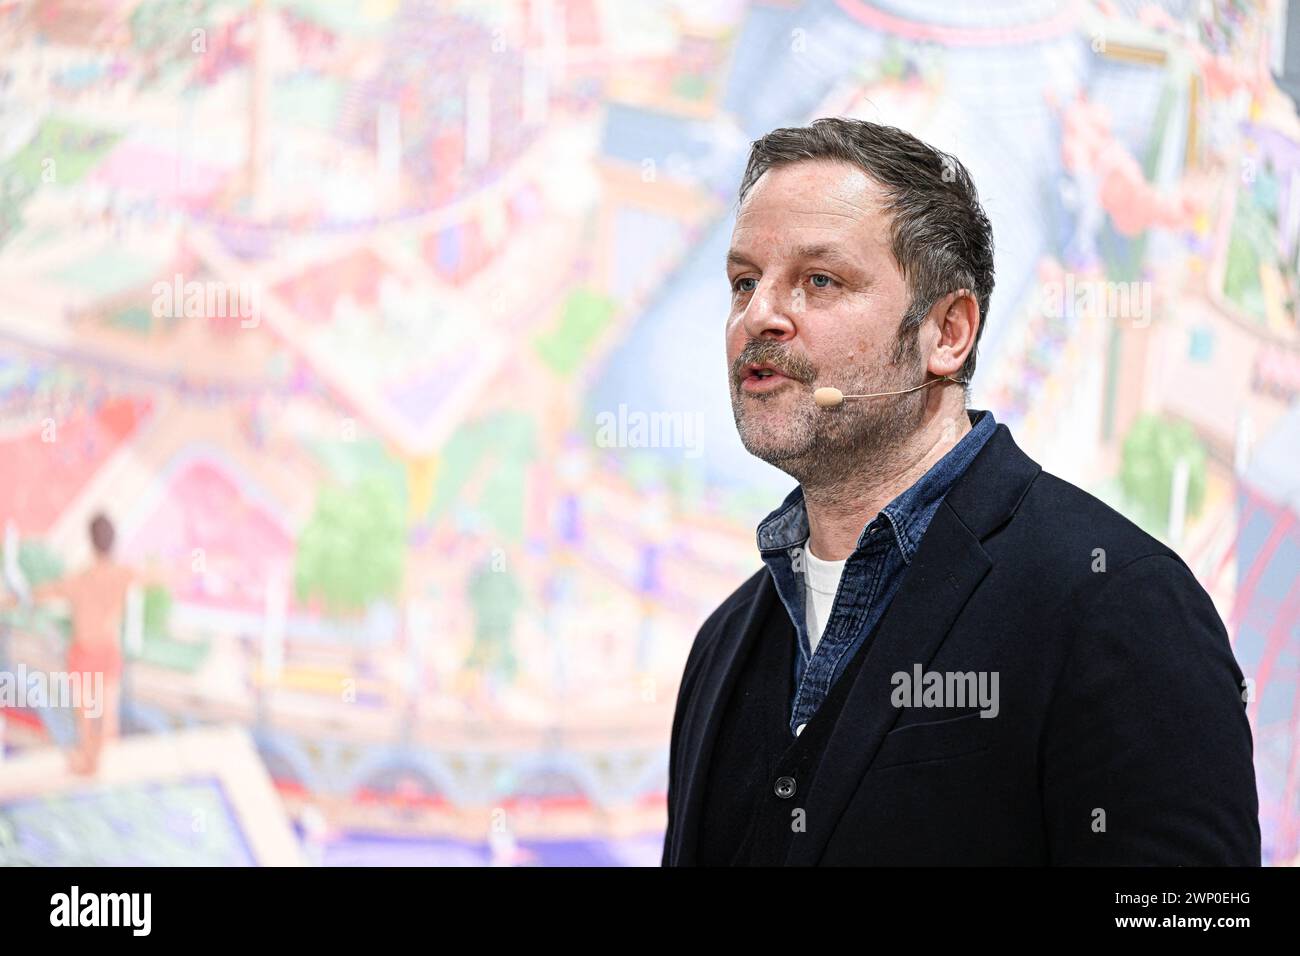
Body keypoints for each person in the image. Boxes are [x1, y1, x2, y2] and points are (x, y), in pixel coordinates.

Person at [661, 117, 1260, 865]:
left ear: (948, 333)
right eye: (744, 281)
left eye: (820, 280)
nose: (759, 315)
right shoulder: (724, 643)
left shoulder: (1118, 603)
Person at [9, 513, 156, 775]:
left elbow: (38, 595)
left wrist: (9, 600)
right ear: (113, 542)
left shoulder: (79, 580)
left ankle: (89, 763)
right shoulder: (124, 575)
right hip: (107, 652)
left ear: (91, 542)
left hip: (86, 655)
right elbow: (160, 576)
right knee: (106, 719)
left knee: (88, 719)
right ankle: (93, 763)